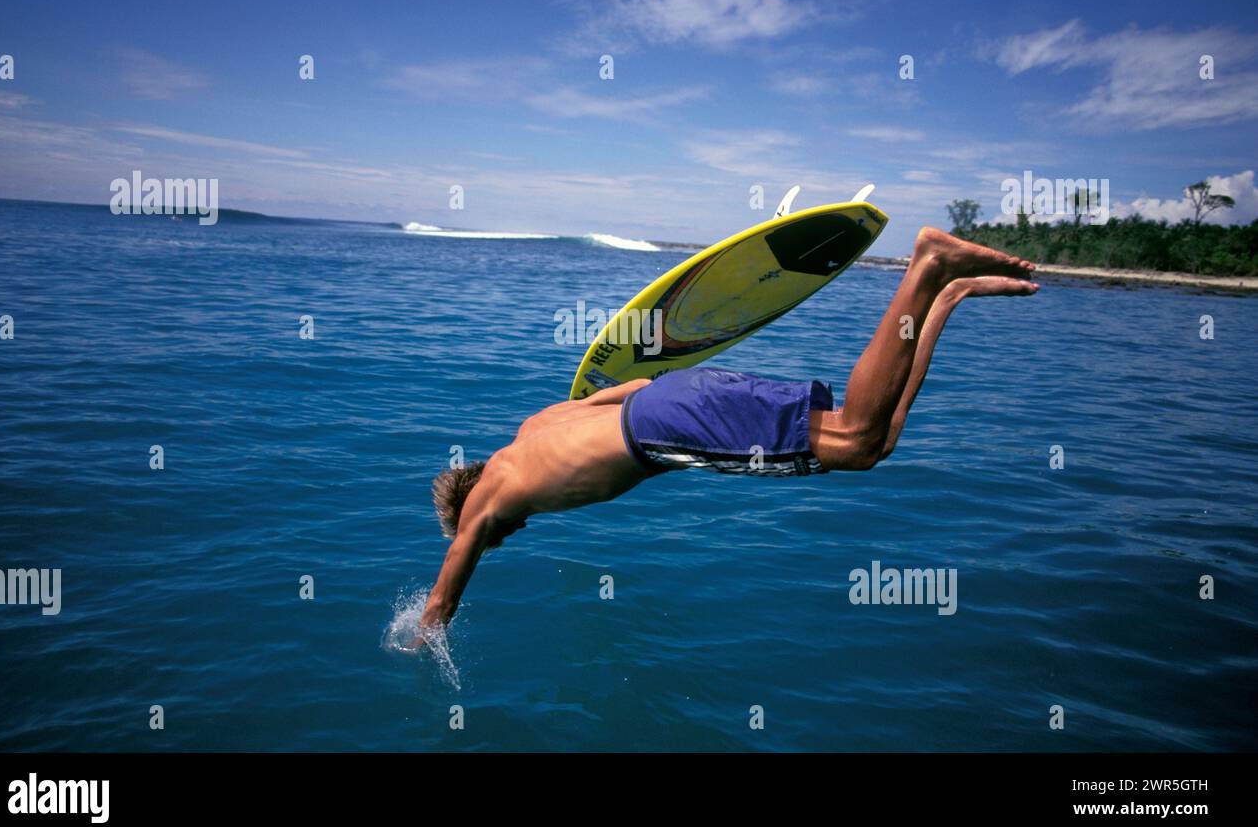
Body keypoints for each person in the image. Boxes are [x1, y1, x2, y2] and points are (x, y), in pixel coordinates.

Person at [417, 227, 1038, 637]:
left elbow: (446, 590)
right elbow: (633, 384)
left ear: (469, 501)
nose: (509, 533)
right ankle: (948, 295)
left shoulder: (489, 500)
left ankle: (926, 265)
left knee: (852, 438)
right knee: (875, 445)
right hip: (673, 397)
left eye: (495, 535)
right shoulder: (535, 426)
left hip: (667, 427)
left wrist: (423, 636)